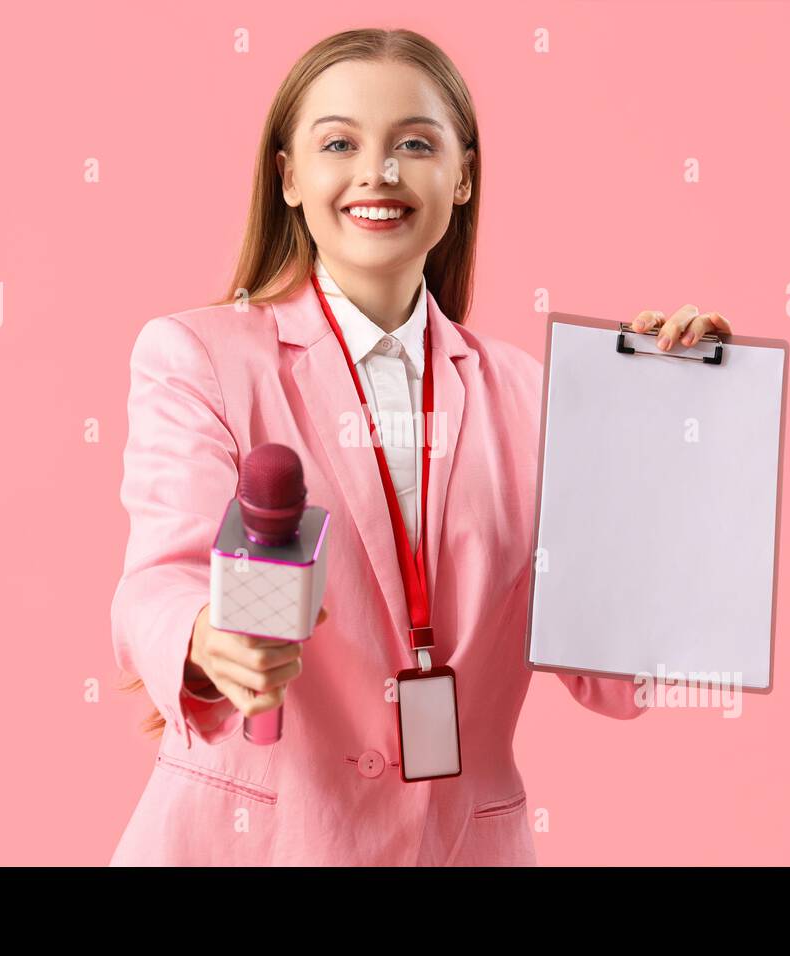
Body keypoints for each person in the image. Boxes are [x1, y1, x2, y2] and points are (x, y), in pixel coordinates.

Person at [108, 27, 733, 866]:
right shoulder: (200, 357)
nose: (379, 172)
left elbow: (619, 678)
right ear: (289, 175)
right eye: (339, 143)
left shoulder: (538, 399)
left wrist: (666, 440)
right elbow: (162, 575)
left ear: (463, 175)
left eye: (414, 143)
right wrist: (205, 639)